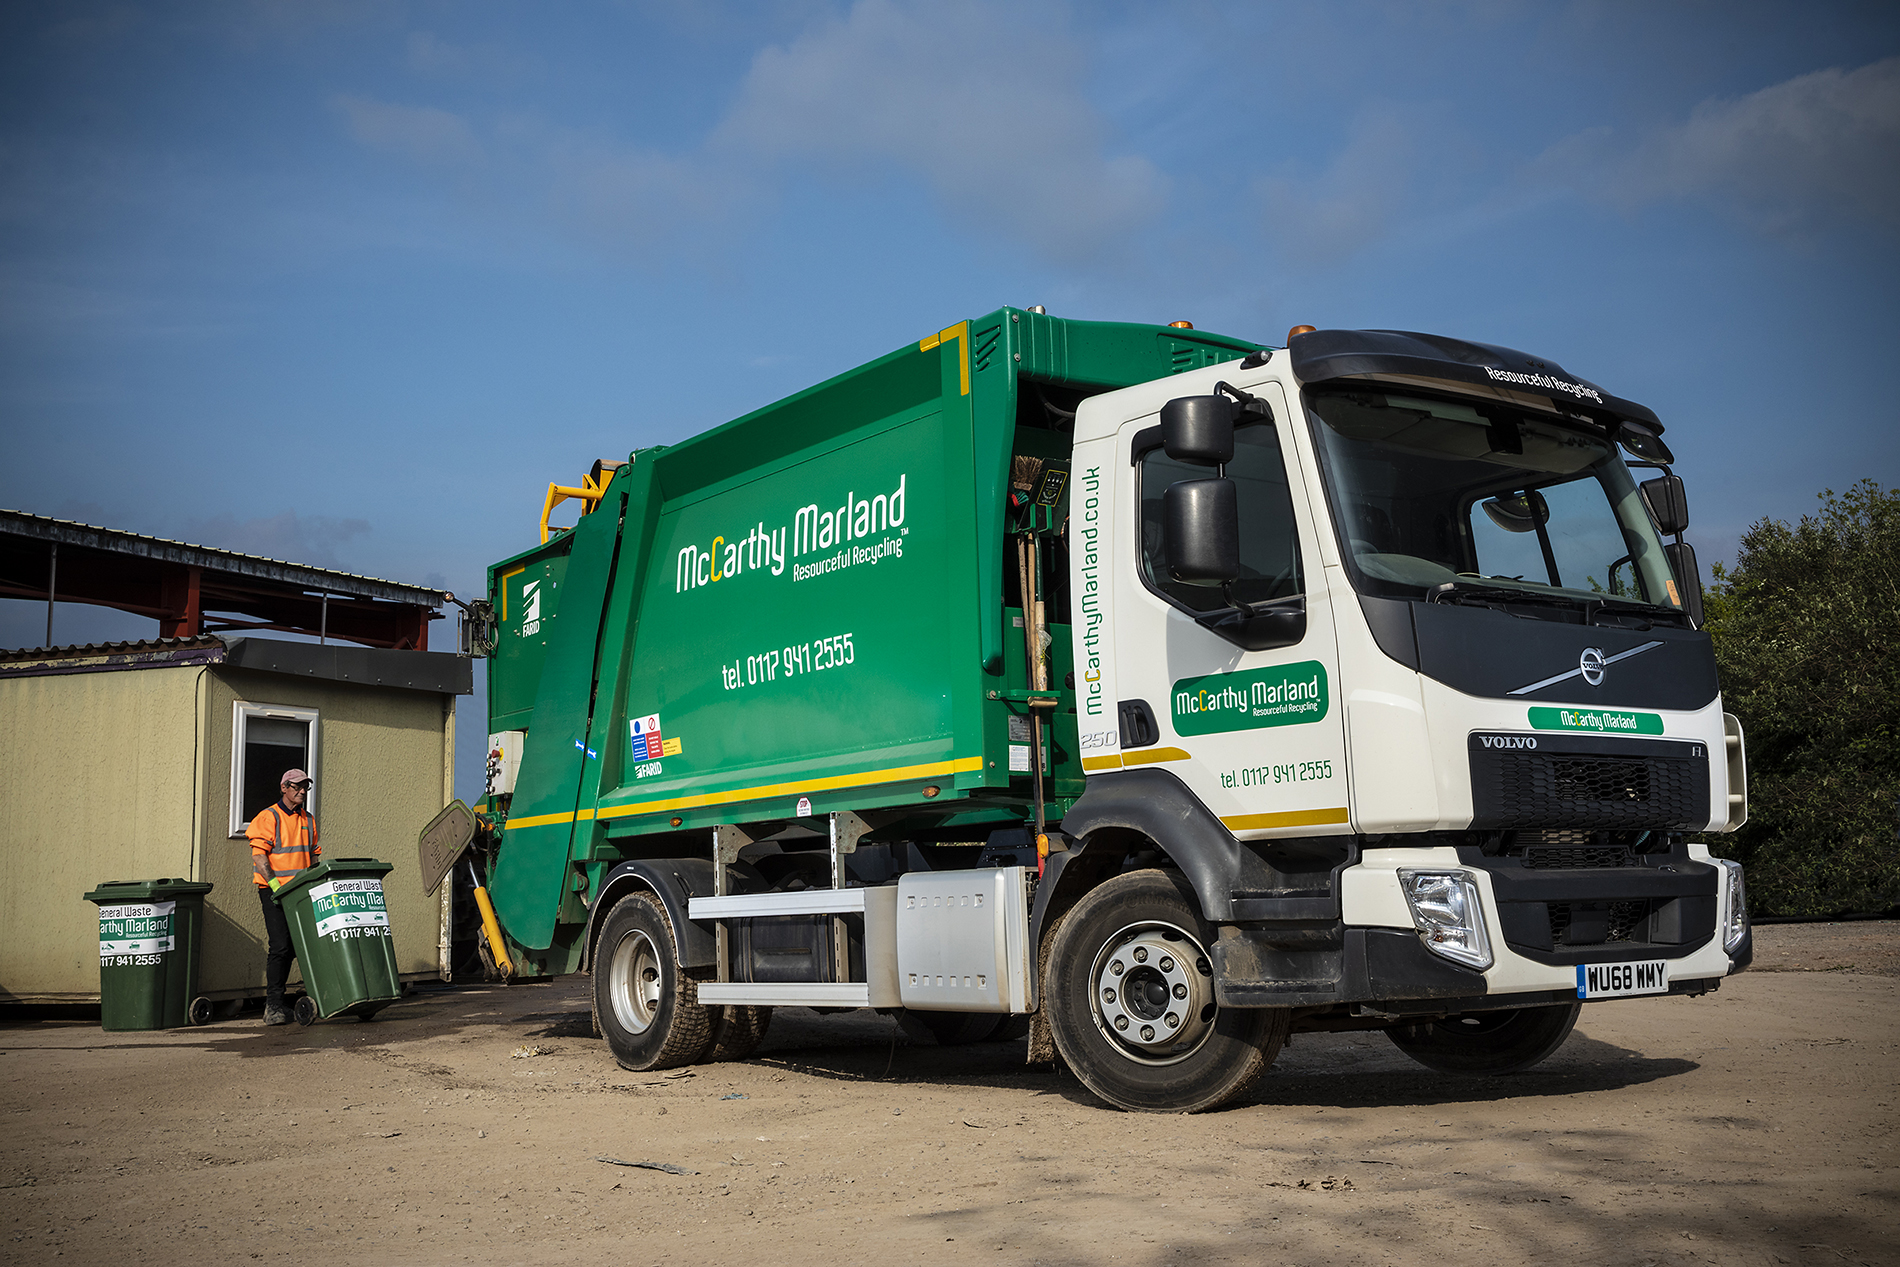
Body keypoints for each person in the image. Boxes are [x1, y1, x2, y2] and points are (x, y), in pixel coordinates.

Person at [248, 768, 320, 1026]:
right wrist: (276, 886)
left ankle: (307, 998)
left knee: (298, 946)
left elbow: (313, 857)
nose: (302, 791)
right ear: (284, 788)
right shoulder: (269, 817)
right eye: (297, 786)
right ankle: (274, 1005)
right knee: (280, 946)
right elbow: (259, 856)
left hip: (299, 894)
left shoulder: (308, 820)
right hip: (274, 892)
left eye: (305, 787)